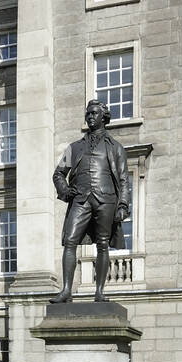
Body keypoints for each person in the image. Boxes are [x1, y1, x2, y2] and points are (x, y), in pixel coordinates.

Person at [51, 100, 131, 302]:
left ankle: (100, 292)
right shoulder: (74, 148)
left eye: (94, 113)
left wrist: (123, 205)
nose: (90, 116)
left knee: (103, 244)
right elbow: (58, 173)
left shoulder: (116, 148)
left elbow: (123, 179)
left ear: (103, 117)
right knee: (70, 241)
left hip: (106, 200)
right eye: (88, 113)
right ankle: (67, 291)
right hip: (80, 199)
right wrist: (65, 191)